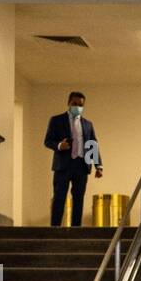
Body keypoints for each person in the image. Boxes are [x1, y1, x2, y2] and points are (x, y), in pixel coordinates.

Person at [43, 91, 102, 227]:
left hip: (81, 165)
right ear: (68, 103)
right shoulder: (56, 120)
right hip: (63, 165)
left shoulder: (88, 124)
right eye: (74, 104)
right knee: (59, 198)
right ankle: (55, 228)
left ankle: (76, 228)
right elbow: (47, 141)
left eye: (80, 105)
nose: (77, 107)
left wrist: (98, 166)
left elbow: (92, 144)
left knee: (79, 199)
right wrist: (59, 145)